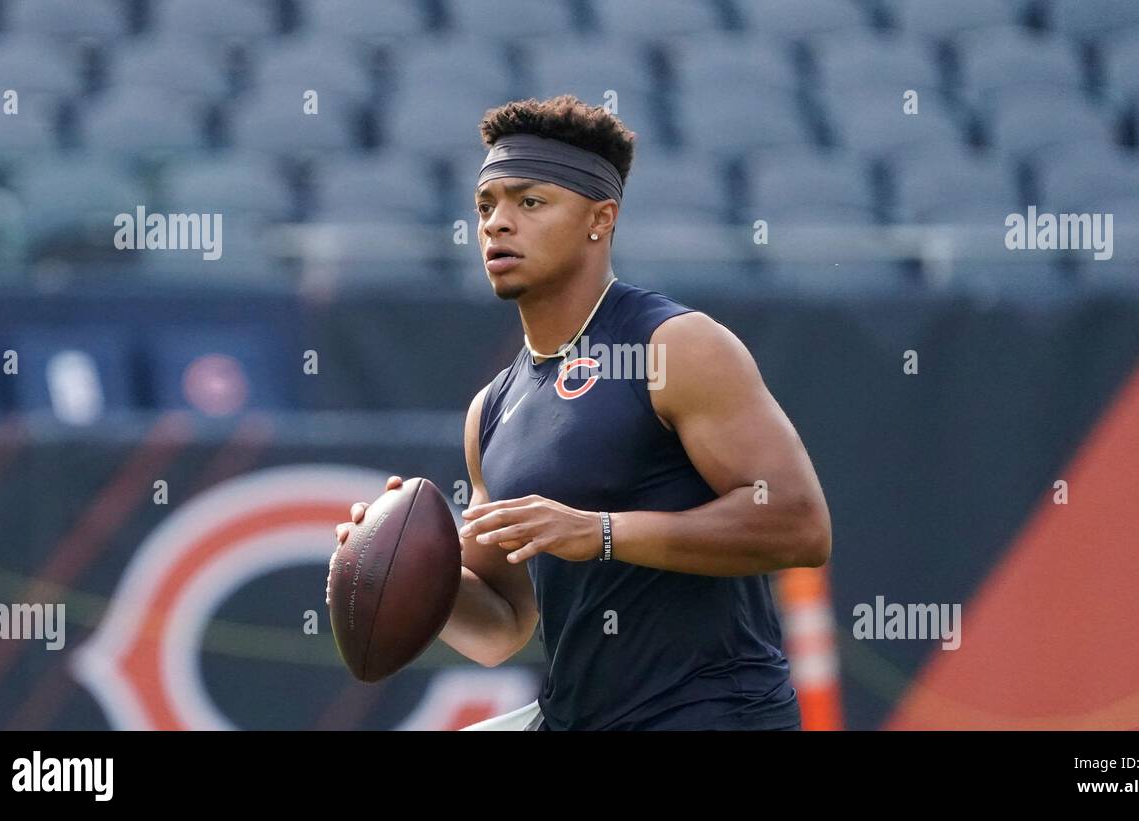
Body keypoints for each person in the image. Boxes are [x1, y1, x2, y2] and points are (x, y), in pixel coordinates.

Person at [332, 95, 831, 730]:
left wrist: (599, 532)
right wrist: (398, 569)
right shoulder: (492, 408)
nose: (496, 224)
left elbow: (799, 526)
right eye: (486, 206)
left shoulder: (674, 345)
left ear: (601, 218)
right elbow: (504, 627)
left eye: (529, 202)